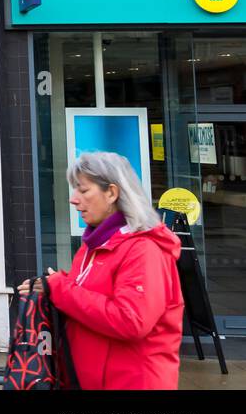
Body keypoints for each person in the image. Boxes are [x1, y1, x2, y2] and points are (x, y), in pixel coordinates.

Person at [18, 151, 183, 389]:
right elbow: (83, 297)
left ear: (112, 193)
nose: (74, 199)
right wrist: (50, 288)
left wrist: (59, 287)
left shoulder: (144, 250)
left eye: (83, 190)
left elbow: (131, 321)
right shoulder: (91, 247)